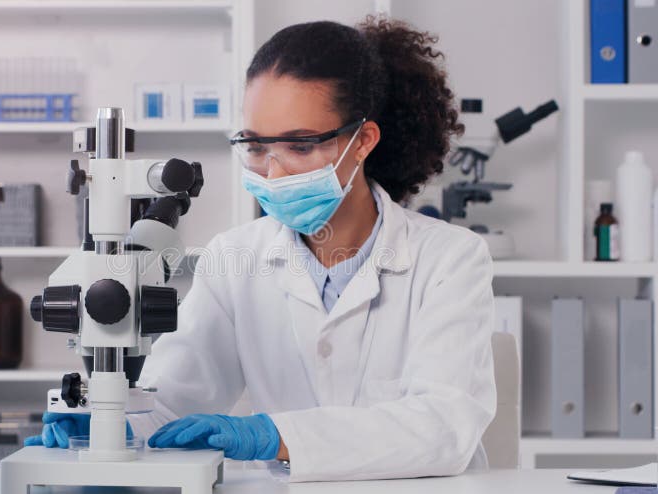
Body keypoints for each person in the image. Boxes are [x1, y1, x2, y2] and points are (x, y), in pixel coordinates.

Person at [26, 16, 497, 482]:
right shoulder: (235, 257)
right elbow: (173, 404)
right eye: (254, 146)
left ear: (362, 142)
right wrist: (110, 427)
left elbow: (445, 426)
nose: (273, 172)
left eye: (300, 145)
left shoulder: (450, 258)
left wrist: (276, 434)